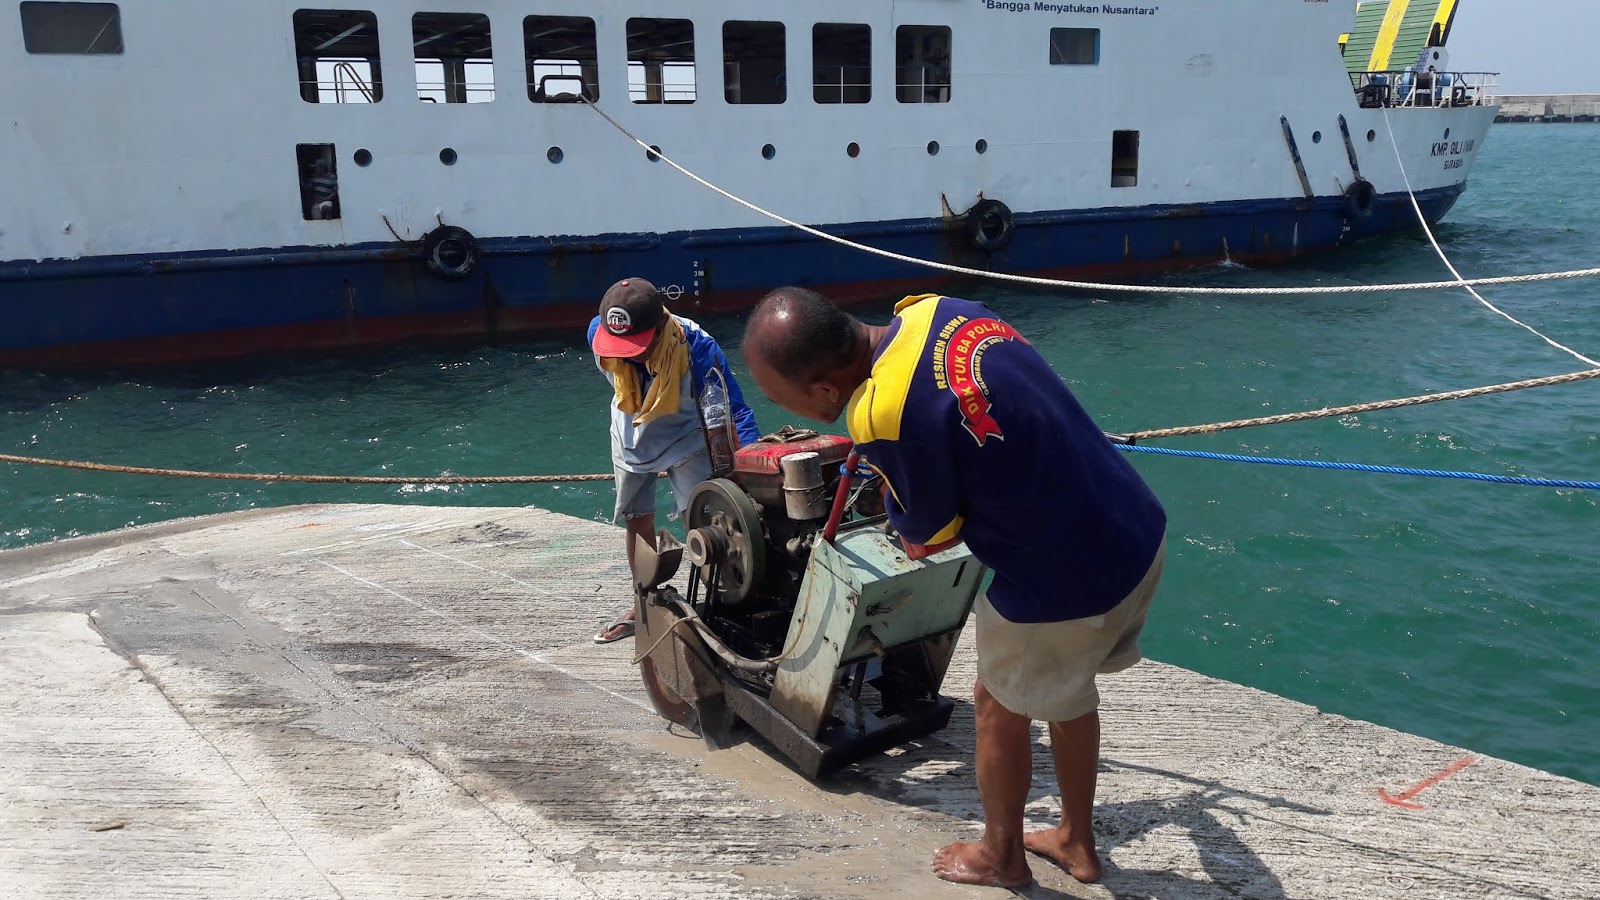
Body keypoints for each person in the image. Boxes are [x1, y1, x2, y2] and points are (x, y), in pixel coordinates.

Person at [741, 288, 1166, 889]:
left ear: (826, 391)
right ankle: (1074, 839)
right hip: (1135, 530)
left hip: (1067, 582)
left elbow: (926, 537)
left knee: (998, 703)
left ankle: (1001, 856)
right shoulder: (936, 310)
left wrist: (891, 486)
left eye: (785, 400)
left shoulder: (878, 414)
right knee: (1069, 691)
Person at [588, 277, 760, 643]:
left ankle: (719, 602)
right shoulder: (597, 334)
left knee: (701, 517)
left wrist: (751, 462)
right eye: (617, 345)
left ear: (661, 327)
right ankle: (643, 603)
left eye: (635, 345)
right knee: (638, 517)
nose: (626, 353)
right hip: (630, 430)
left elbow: (734, 410)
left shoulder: (697, 348)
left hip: (685, 436)